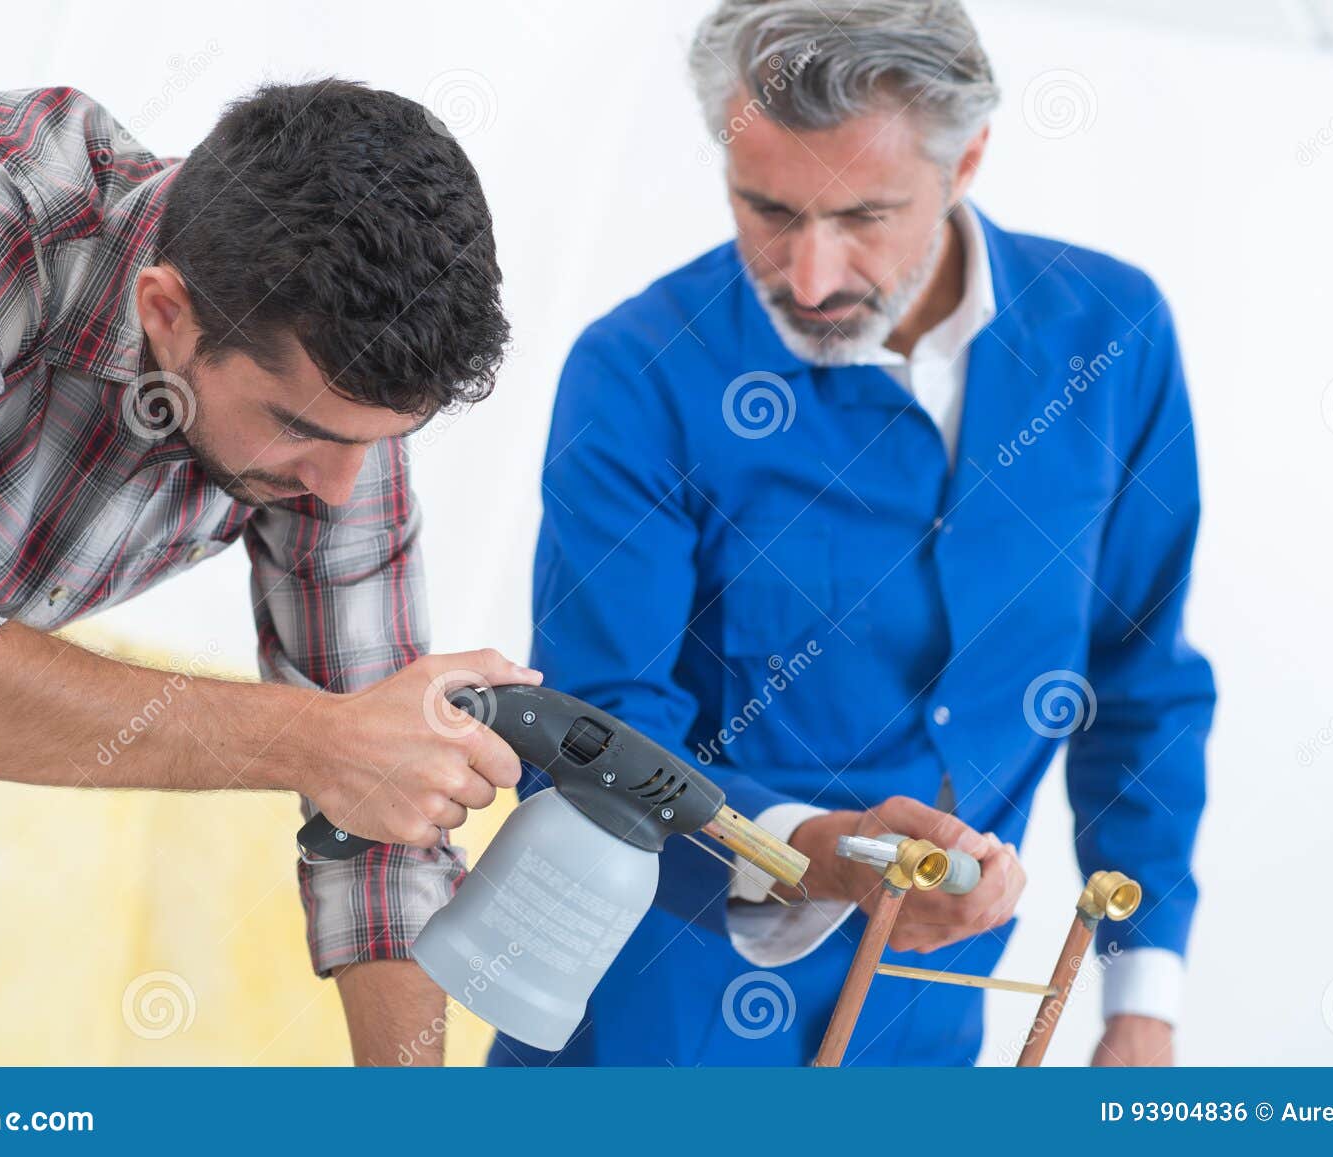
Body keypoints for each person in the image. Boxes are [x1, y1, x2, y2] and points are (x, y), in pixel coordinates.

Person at [505, 0, 1214, 1066]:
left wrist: (1140, 994)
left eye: (865, 217)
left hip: (927, 1029)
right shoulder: (639, 371)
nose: (810, 277)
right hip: (652, 1024)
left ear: (966, 157)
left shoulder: (1110, 337)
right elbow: (598, 731)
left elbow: (1139, 675)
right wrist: (813, 855)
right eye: (767, 209)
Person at [0, 80, 538, 1066]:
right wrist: (319, 743)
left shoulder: (333, 395)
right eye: (300, 430)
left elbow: (381, 798)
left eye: (380, 442)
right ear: (165, 311)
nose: (338, 488)